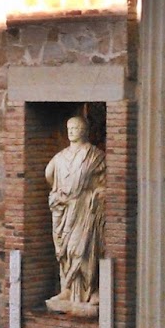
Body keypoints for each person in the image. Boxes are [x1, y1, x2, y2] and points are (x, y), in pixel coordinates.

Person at [45, 115, 106, 308]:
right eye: (69, 127)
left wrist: (97, 194)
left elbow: (106, 182)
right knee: (66, 252)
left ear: (85, 130)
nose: (71, 131)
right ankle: (68, 289)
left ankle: (91, 290)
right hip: (65, 210)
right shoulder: (60, 157)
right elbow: (49, 175)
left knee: (82, 249)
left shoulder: (95, 156)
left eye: (76, 128)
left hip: (84, 209)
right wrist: (59, 197)